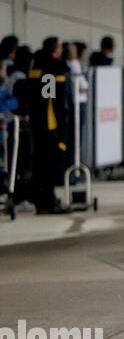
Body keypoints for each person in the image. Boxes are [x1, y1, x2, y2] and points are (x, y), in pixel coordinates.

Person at [27, 37, 72, 214]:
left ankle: (42, 201)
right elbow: (51, 100)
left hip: (36, 123)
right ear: (55, 50)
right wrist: (57, 126)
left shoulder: (35, 66)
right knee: (50, 164)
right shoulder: (51, 69)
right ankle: (49, 201)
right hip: (49, 124)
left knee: (39, 164)